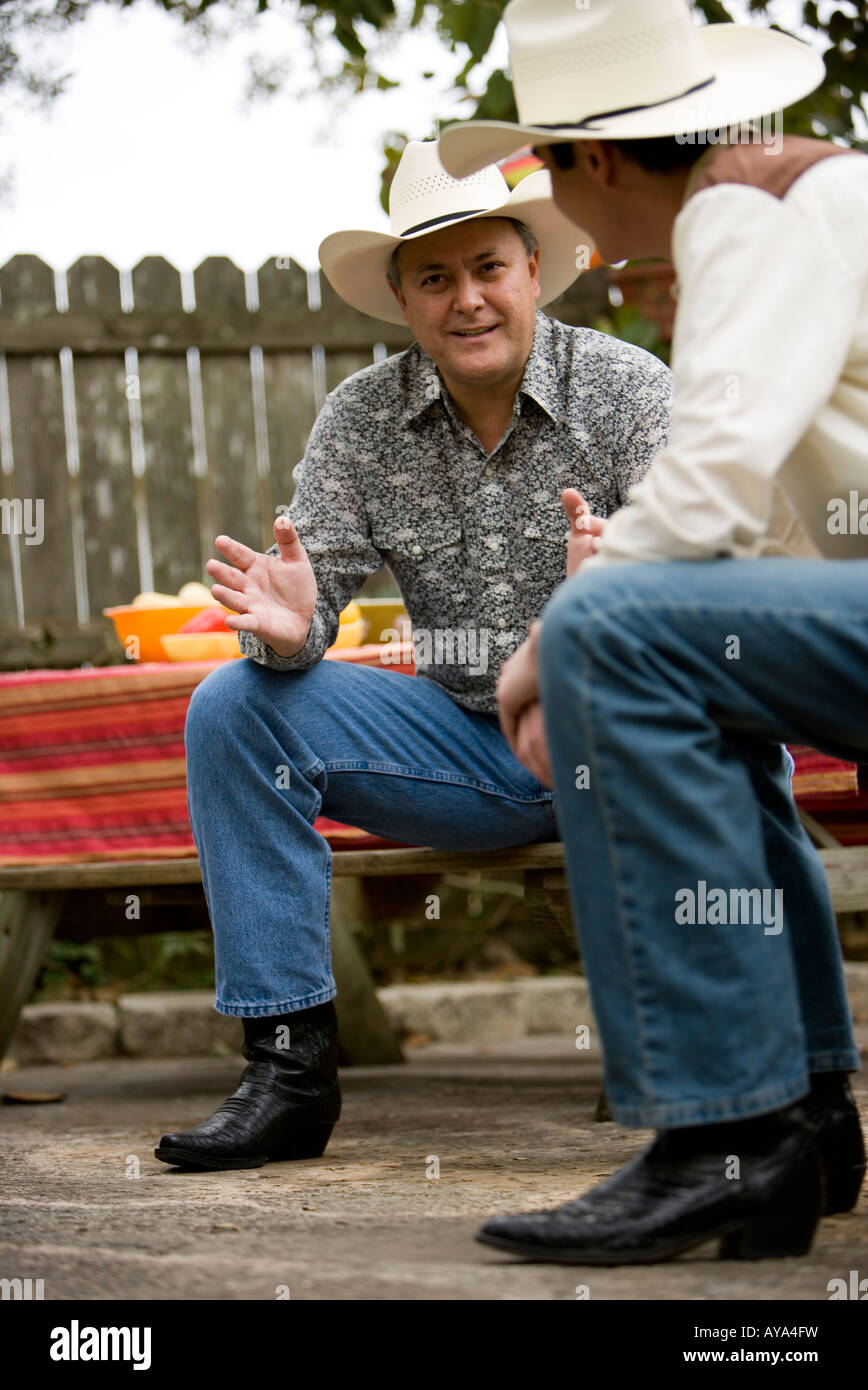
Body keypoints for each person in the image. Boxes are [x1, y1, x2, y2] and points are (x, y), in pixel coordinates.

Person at [439, 0, 868, 1264]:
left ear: (601, 161)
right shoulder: (802, 200)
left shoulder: (752, 210)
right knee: (680, 658)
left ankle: (720, 1131)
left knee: (616, 632)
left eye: (545, 176)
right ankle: (795, 1125)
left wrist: (548, 644)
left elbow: (713, 474)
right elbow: (751, 537)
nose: (561, 216)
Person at [154, 139, 673, 1170]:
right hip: (470, 754)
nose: (466, 299)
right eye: (435, 278)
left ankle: (692, 1065)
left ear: (534, 273)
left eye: (488, 269)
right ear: (402, 300)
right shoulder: (362, 418)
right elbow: (312, 599)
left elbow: (710, 590)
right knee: (233, 705)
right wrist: (292, 627)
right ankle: (289, 1073)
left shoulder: (628, 389)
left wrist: (620, 598)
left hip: (619, 742)